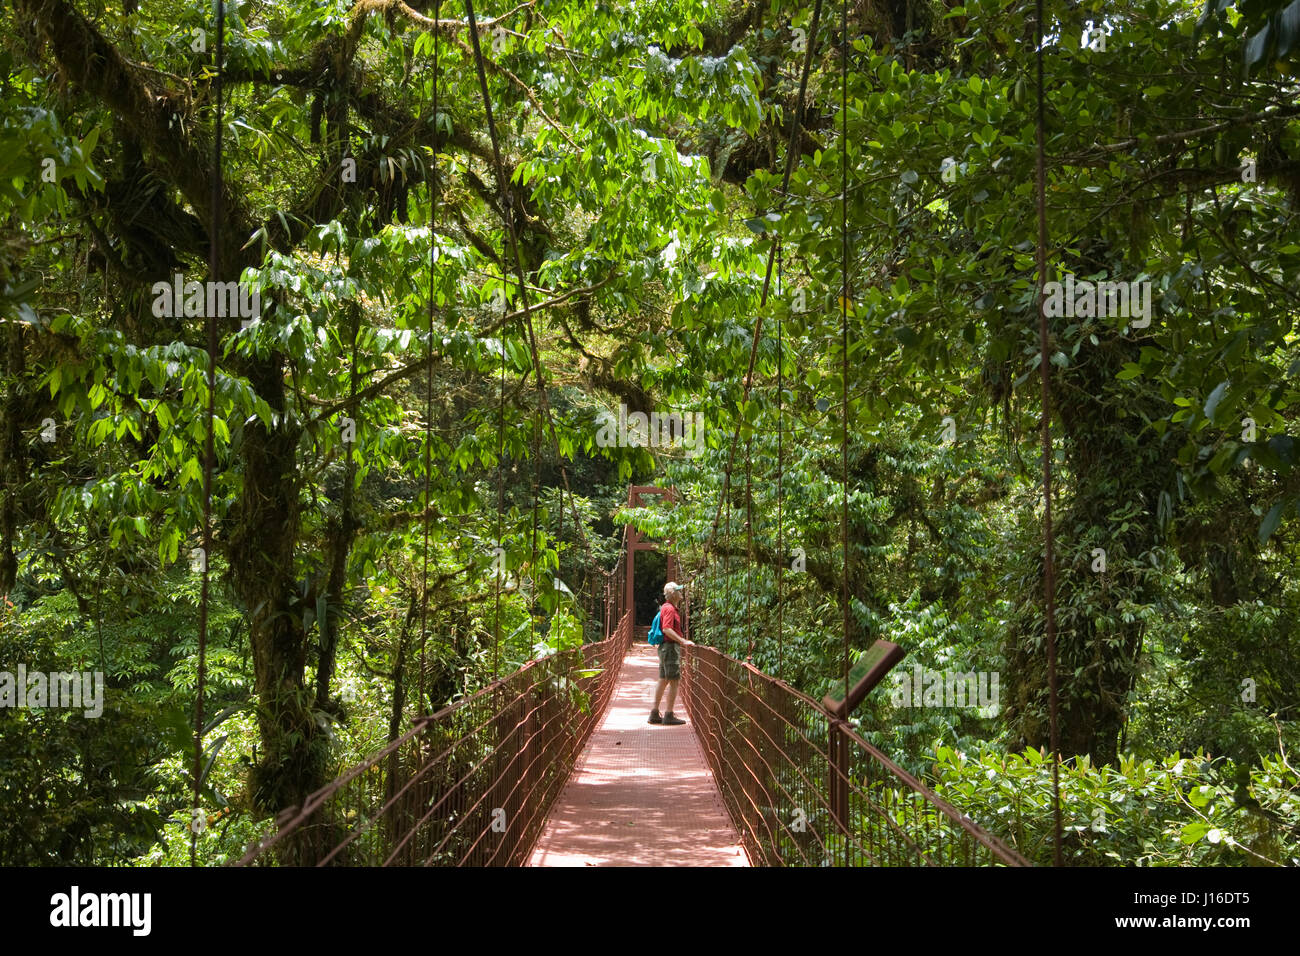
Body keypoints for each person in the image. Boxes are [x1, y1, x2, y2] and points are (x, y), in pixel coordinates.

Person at [649, 581, 693, 725]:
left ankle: (654, 713)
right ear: (673, 594)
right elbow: (667, 629)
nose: (681, 593)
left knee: (663, 679)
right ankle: (669, 714)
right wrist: (683, 641)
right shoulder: (669, 609)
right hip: (669, 647)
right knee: (674, 680)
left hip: (665, 647)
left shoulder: (667, 608)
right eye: (678, 590)